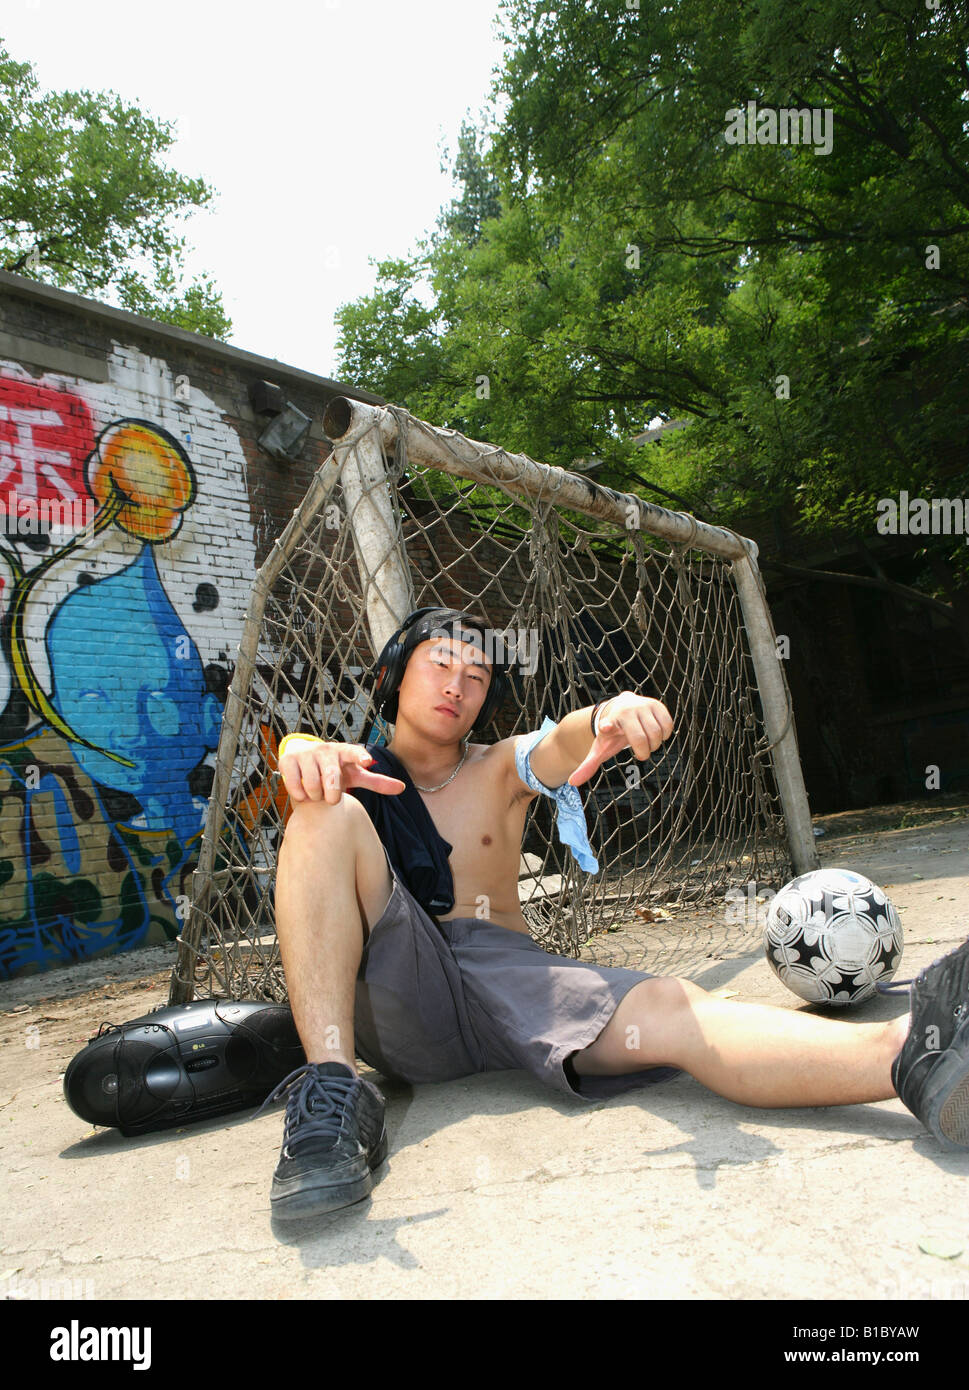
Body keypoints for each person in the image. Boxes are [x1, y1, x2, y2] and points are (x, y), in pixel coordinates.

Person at [260, 607, 969, 1220]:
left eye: (477, 677)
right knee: (323, 813)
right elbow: (307, 764)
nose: (457, 684)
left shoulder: (498, 766)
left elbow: (555, 744)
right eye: (440, 664)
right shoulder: (346, 768)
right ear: (391, 675)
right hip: (402, 1000)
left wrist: (603, 716)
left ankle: (909, 1055)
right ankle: (331, 1098)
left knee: (668, 1008)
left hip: (512, 985)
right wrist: (302, 754)